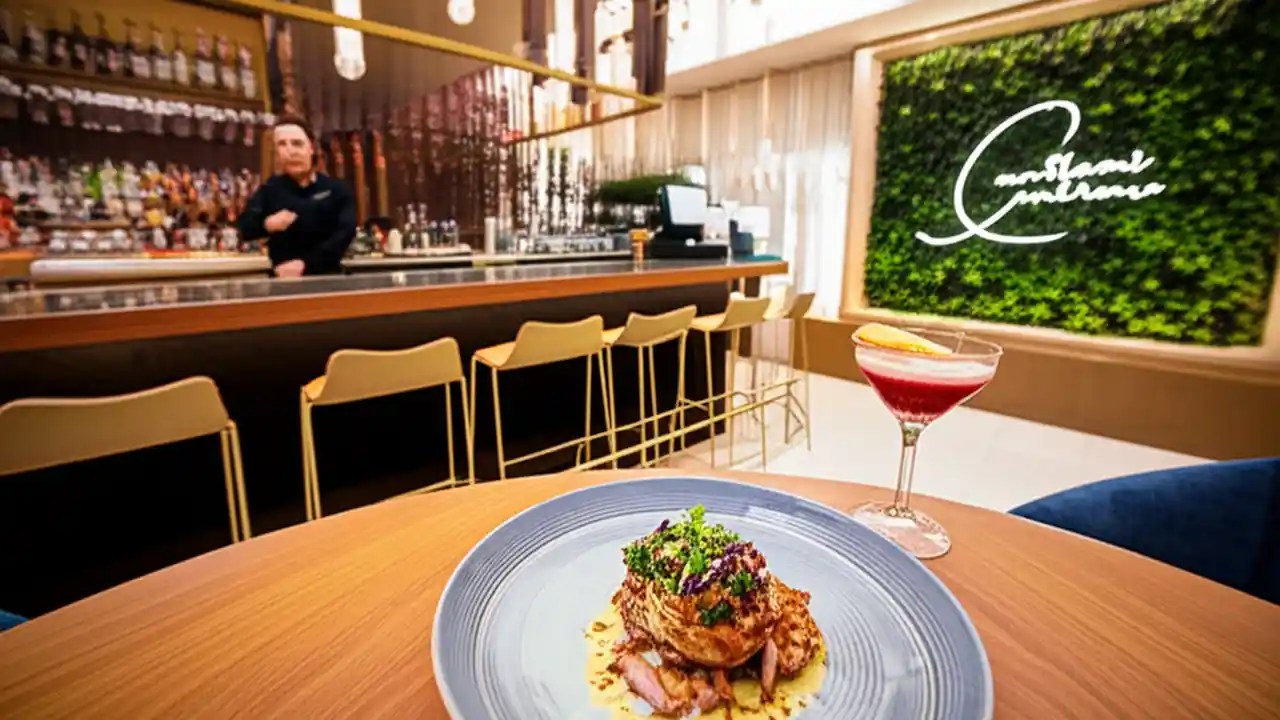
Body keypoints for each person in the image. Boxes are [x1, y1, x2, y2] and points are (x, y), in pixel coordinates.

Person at [237, 116, 355, 277]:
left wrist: (306, 264)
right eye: (282, 144)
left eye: (297, 144)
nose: (290, 152)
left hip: (329, 281)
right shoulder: (270, 189)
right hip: (282, 286)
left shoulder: (336, 190)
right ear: (276, 153)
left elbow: (344, 234)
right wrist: (267, 224)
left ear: (311, 148)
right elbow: (244, 228)